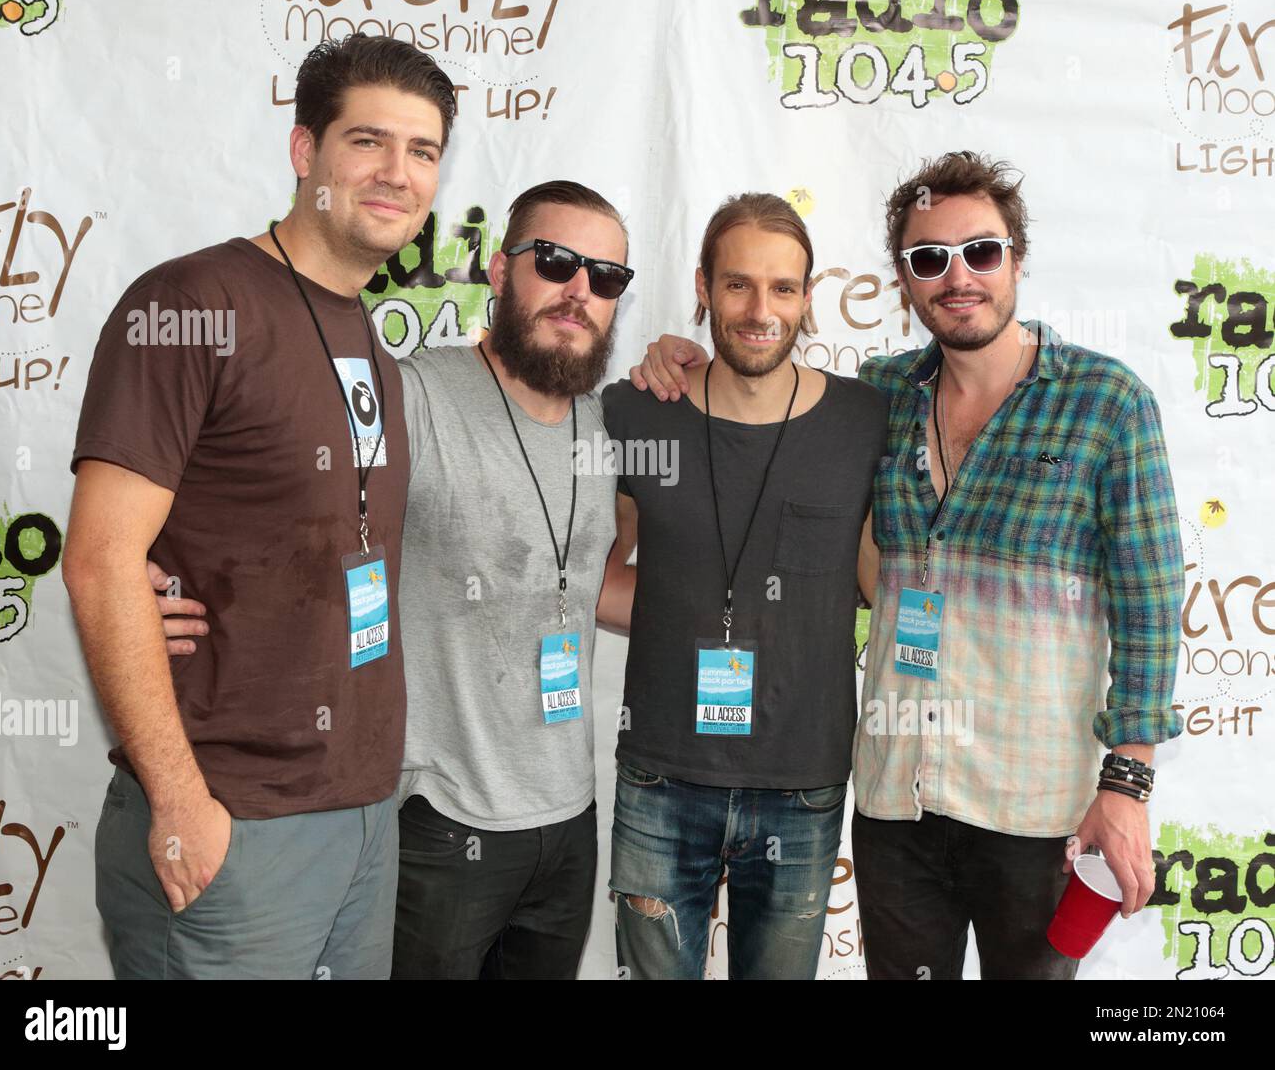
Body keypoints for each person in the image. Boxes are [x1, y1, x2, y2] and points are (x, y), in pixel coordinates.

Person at [629, 152, 1185, 980]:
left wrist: (1128, 787)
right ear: (904, 280)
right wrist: (677, 357)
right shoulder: (878, 399)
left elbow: (1150, 602)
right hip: (898, 803)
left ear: (1017, 259)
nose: (957, 276)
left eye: (981, 252)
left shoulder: (1106, 403)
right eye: (930, 257)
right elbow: (764, 388)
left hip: (1034, 810)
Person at [158, 180, 637, 979]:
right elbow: (271, 486)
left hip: (570, 816)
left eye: (607, 276)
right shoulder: (406, 394)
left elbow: (590, 580)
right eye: (555, 262)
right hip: (439, 819)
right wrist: (147, 570)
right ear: (498, 269)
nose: (579, 291)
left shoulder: (609, 422)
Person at [62, 33, 455, 979]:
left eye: (424, 151)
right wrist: (181, 801)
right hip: (229, 820)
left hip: (363, 817)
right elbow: (99, 557)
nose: (397, 173)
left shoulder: (372, 345)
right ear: (303, 151)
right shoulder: (192, 302)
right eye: (368, 142)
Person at [602, 194, 886, 979]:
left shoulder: (865, 419)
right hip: (662, 778)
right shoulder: (634, 415)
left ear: (807, 297)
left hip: (803, 787)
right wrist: (676, 610)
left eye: (783, 288)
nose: (761, 310)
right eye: (738, 286)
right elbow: (592, 577)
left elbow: (876, 582)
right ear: (703, 287)